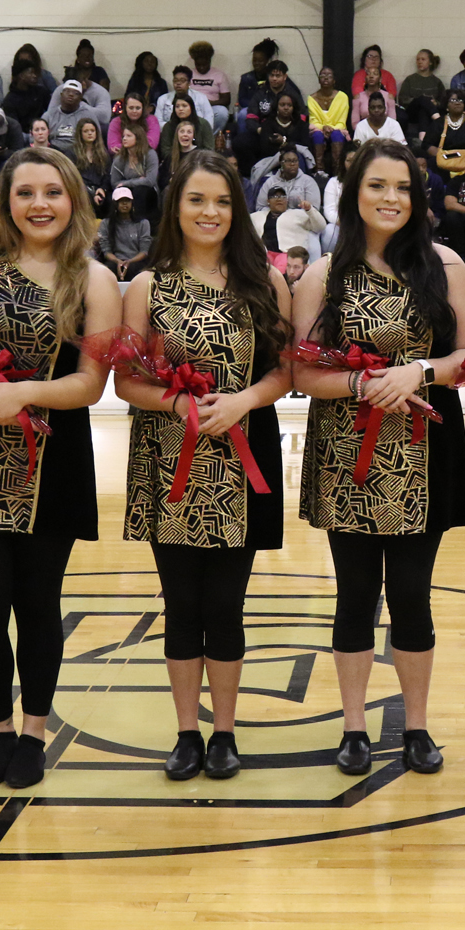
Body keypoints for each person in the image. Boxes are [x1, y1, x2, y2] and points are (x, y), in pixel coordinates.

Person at [0, 146, 121, 790]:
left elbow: (92, 384)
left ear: (74, 200)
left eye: (54, 192)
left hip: (53, 459)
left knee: (38, 604)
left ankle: (34, 732)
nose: (40, 204)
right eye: (26, 192)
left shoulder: (94, 279)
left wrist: (26, 394)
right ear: (5, 201)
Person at [290, 137, 465, 777]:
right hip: (349, 453)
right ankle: (352, 728)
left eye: (402, 187)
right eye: (377, 186)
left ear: (417, 197)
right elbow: (302, 373)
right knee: (352, 594)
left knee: (412, 595)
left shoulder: (446, 266)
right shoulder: (322, 274)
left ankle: (417, 726)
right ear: (353, 195)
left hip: (424, 452)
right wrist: (365, 385)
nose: (390, 198)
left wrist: (418, 372)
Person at [110, 149, 291, 778]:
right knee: (180, 603)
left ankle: (225, 733)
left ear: (236, 208)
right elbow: (126, 381)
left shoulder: (265, 280)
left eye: (221, 201)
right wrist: (178, 403)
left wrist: (242, 400)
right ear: (176, 208)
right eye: (196, 200)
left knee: (227, 605)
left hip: (241, 458)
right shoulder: (146, 285)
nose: (210, 212)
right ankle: (186, 732)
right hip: (169, 463)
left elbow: (284, 371)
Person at [252, 185, 325, 261]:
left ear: (287, 200)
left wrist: (309, 210)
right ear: (268, 201)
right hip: (264, 256)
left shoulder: (298, 214)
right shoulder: (257, 216)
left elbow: (320, 227)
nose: (279, 199)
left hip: (289, 256)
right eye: (275, 196)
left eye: (283, 196)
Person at [97, 185, 152, 280]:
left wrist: (129, 262)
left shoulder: (143, 223)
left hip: (136, 260)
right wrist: (118, 261)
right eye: (121, 201)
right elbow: (106, 251)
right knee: (107, 269)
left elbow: (144, 251)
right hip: (114, 260)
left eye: (128, 200)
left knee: (135, 270)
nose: (125, 204)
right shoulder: (106, 223)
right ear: (115, 204)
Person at [307, 66, 352, 173]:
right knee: (317, 135)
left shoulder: (342, 97)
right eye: (323, 75)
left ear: (334, 80)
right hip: (318, 130)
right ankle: (319, 170)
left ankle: (337, 171)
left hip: (337, 130)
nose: (326, 78)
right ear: (318, 79)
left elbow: (342, 121)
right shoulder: (311, 99)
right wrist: (323, 128)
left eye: (329, 76)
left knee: (336, 134)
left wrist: (330, 129)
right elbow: (313, 120)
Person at [186, 41, 233, 132]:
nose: (201, 68)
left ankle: (211, 138)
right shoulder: (188, 74)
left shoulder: (219, 75)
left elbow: (226, 100)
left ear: (210, 61)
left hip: (212, 107)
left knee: (222, 112)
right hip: (193, 107)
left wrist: (208, 103)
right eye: (198, 65)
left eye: (204, 64)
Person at [255, 147, 321, 210]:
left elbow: (314, 209)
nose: (292, 164)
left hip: (300, 219)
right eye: (288, 161)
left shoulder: (308, 181)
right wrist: (275, 213)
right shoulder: (270, 182)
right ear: (281, 163)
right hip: (275, 218)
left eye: (295, 161)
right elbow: (260, 207)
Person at [109, 124, 159, 196]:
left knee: (140, 190)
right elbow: (115, 183)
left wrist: (126, 183)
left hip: (148, 192)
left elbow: (150, 181)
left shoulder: (150, 154)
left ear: (138, 138)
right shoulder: (120, 158)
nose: (124, 139)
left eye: (129, 136)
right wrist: (140, 180)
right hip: (126, 193)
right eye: (123, 136)